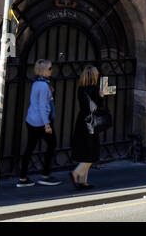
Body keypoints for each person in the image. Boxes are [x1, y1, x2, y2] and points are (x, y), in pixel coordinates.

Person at [17, 59, 60, 187]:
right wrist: (47, 124)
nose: (51, 70)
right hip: (41, 122)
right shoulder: (43, 85)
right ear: (44, 70)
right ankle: (45, 176)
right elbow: (42, 105)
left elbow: (39, 100)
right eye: (50, 68)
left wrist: (50, 93)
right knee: (52, 145)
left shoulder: (38, 83)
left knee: (30, 148)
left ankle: (23, 178)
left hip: (31, 120)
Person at [70, 65, 103, 186]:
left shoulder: (81, 88)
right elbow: (96, 107)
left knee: (86, 151)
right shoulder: (95, 90)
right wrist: (101, 97)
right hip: (91, 123)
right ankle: (76, 173)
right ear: (94, 76)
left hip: (82, 120)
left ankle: (83, 182)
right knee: (92, 153)